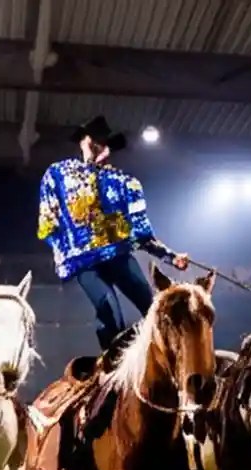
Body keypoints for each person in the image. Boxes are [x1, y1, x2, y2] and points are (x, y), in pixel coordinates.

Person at [37, 116, 191, 351]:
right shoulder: (57, 175)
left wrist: (170, 256)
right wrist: (65, 257)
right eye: (91, 140)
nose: (96, 145)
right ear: (82, 141)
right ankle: (112, 371)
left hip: (118, 256)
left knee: (153, 309)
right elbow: (48, 222)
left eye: (101, 141)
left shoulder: (126, 183)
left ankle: (174, 361)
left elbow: (141, 233)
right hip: (84, 263)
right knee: (110, 314)